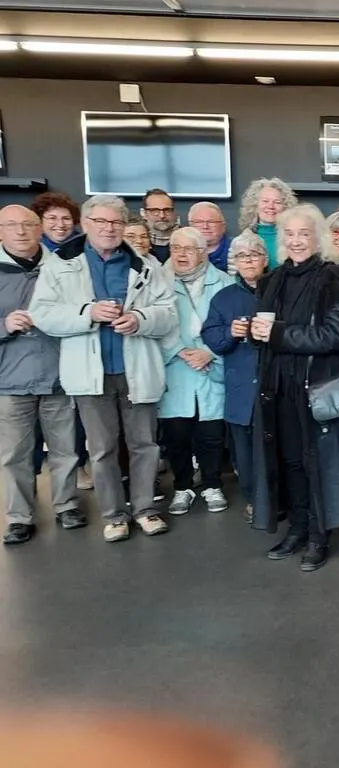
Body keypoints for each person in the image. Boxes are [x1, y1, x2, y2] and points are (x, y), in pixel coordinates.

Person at [30, 194, 177, 543]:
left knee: (145, 445)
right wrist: (88, 313)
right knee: (102, 449)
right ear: (85, 224)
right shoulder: (60, 264)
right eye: (101, 222)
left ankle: (145, 509)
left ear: (124, 225)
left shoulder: (146, 265)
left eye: (116, 222)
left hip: (137, 369)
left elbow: (169, 313)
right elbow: (43, 314)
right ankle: (114, 515)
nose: (109, 228)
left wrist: (140, 319)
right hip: (89, 374)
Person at [249, 204, 339, 571]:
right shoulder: (271, 281)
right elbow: (266, 335)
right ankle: (298, 528)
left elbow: (333, 335)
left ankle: (320, 535)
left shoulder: (336, 279)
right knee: (290, 460)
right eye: (289, 234)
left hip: (318, 387)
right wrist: (252, 333)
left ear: (318, 238)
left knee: (315, 462)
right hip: (278, 386)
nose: (296, 241)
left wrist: (276, 334)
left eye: (304, 234)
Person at [0, 205, 83, 545]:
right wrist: (4, 324)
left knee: (65, 447)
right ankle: (19, 517)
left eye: (28, 225)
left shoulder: (62, 266)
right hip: (10, 378)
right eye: (12, 225)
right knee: (14, 454)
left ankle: (67, 505)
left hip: (59, 373)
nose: (21, 232)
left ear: (40, 229)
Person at [158, 227, 233, 516]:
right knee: (176, 434)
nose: (181, 254)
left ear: (203, 252)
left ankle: (212, 484)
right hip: (174, 367)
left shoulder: (224, 282)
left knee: (211, 433)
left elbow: (233, 326)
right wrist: (178, 350)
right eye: (176, 248)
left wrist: (210, 353)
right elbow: (153, 323)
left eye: (189, 249)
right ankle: (182, 487)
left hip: (211, 365)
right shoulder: (158, 281)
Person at [201, 232, 267, 523]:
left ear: (265, 259)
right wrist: (230, 332)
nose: (249, 261)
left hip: (277, 383)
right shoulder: (224, 297)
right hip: (241, 387)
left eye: (254, 254)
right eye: (242, 256)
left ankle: (284, 499)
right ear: (234, 262)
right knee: (245, 450)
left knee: (281, 446)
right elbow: (212, 337)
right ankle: (254, 501)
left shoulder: (280, 289)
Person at [30, 191, 91, 489]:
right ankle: (30, 476)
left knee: (73, 415)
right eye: (52, 218)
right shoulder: (32, 254)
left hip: (73, 344)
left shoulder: (82, 252)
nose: (60, 224)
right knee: (30, 422)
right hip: (32, 350)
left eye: (66, 218)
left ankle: (77, 466)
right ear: (40, 222)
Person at [238, 178, 297, 270]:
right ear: (254, 205)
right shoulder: (242, 240)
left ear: (285, 207)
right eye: (265, 201)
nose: (271, 206)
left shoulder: (294, 239)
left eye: (277, 202)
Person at [187, 202, 231, 272]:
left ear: (223, 225)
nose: (205, 226)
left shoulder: (236, 249)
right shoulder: (180, 251)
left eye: (211, 222)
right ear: (190, 225)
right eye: (199, 222)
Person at [140, 188, 178, 263]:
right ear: (143, 213)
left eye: (167, 210)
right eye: (155, 210)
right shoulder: (135, 242)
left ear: (174, 212)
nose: (162, 215)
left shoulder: (188, 239)